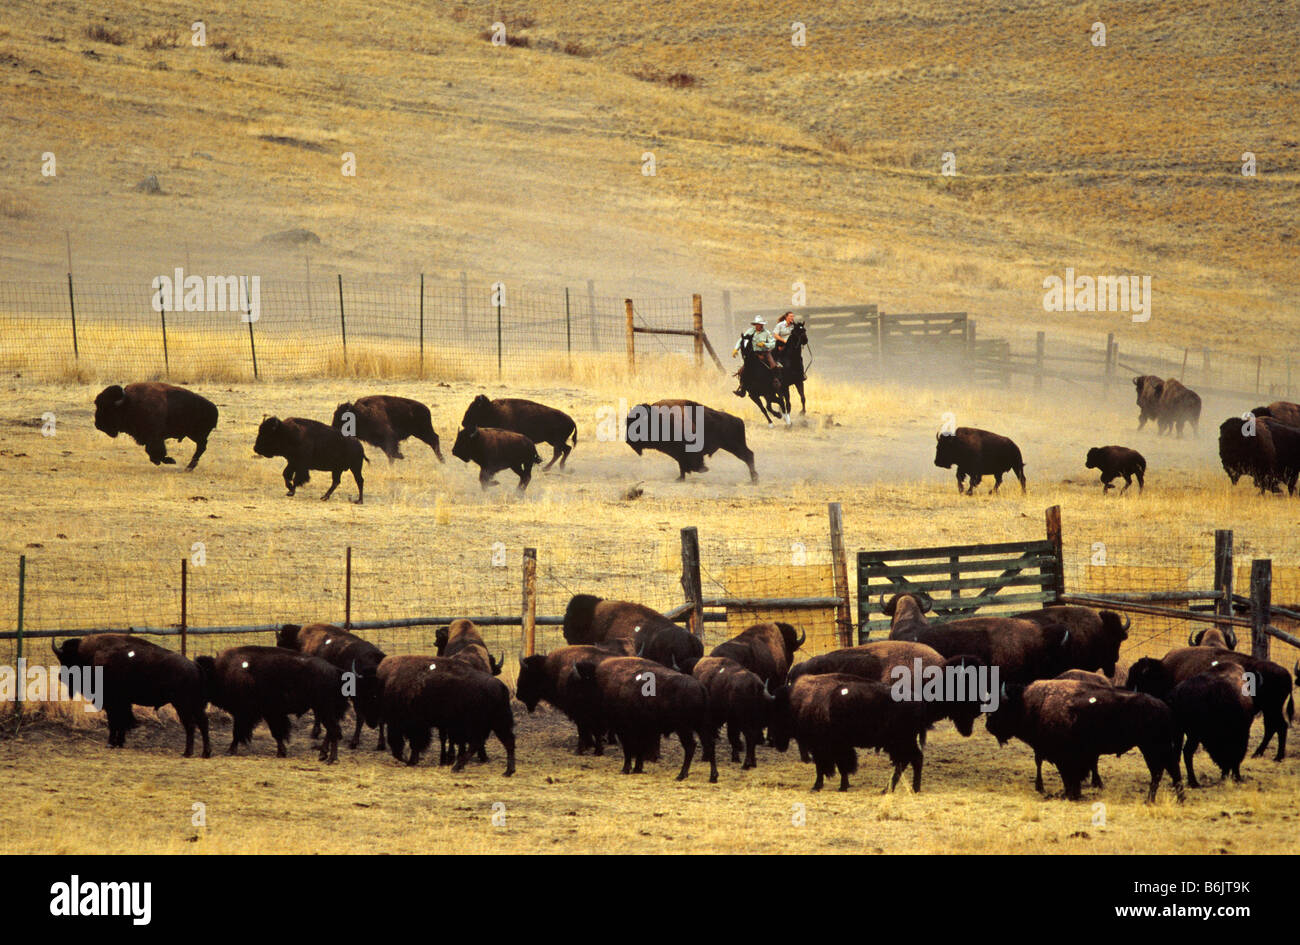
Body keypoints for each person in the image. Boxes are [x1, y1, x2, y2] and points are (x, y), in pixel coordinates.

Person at [731, 316, 779, 395]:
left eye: (759, 324)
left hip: (764, 353)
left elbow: (773, 343)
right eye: (756, 324)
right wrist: (736, 349)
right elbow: (742, 339)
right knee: (742, 370)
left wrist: (764, 344)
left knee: (773, 364)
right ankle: (742, 388)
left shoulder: (766, 332)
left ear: (762, 325)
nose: (757, 326)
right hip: (753, 354)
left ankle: (775, 381)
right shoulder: (750, 331)